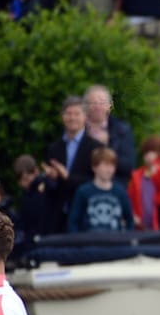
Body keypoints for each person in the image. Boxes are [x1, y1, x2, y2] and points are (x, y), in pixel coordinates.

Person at [43, 95, 104, 232]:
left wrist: (68, 177)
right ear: (62, 117)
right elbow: (51, 186)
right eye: (68, 114)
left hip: (86, 213)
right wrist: (52, 178)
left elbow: (97, 180)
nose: (72, 118)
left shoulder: (96, 147)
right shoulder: (55, 148)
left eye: (77, 114)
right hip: (58, 215)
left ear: (85, 117)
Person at [67, 147, 134, 232]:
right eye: (106, 165)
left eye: (112, 165)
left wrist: (125, 240)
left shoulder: (120, 192)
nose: (109, 170)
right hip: (90, 243)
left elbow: (129, 220)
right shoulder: (83, 191)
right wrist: (78, 242)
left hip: (115, 243)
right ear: (94, 167)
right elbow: (73, 222)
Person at [83, 84, 137, 188]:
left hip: (114, 189)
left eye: (102, 102)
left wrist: (106, 147)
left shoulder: (122, 130)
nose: (97, 106)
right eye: (93, 102)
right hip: (84, 188)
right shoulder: (78, 128)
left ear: (109, 106)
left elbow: (129, 167)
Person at [127, 135, 160, 231]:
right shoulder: (136, 177)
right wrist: (132, 215)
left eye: (153, 152)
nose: (150, 156)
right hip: (140, 229)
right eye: (147, 153)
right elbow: (129, 199)